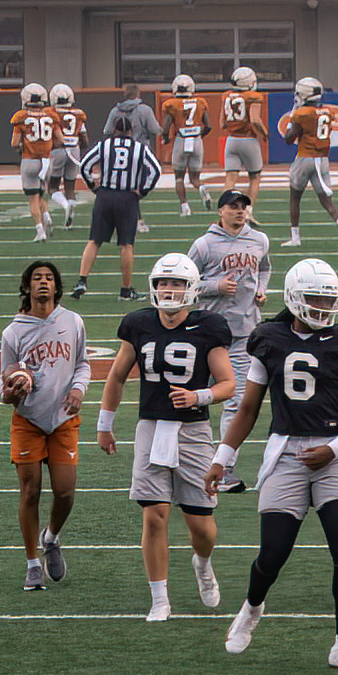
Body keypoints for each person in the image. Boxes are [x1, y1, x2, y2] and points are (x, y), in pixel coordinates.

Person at [206, 258, 338, 671]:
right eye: (314, 297)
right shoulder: (270, 339)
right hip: (286, 451)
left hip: (332, 451)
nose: (322, 305)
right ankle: (251, 607)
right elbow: (247, 408)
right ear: (294, 298)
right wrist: (222, 458)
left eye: (328, 298)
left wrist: (335, 448)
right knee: (274, 553)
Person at [97, 253, 235, 622]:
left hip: (193, 431)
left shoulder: (210, 326)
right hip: (151, 427)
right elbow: (116, 376)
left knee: (200, 525)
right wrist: (104, 423)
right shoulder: (138, 323)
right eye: (163, 283)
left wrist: (197, 396)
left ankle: (203, 564)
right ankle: (160, 598)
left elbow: (228, 384)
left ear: (191, 289)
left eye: (175, 283)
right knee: (155, 516)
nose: (168, 290)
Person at [0, 261, 90, 591]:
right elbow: (3, 384)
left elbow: (82, 364)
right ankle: (32, 563)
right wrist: (11, 392)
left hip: (64, 418)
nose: (43, 283)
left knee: (65, 491)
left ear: (56, 287)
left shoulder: (72, 321)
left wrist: (79, 390)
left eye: (49, 278)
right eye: (37, 278)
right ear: (27, 287)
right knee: (30, 491)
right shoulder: (13, 332)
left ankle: (50, 537)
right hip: (27, 420)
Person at [187, 189, 271, 494]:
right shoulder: (204, 245)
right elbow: (185, 285)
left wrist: (261, 290)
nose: (239, 212)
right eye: (233, 207)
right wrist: (215, 286)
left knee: (235, 401)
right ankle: (188, 460)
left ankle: (225, 469)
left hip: (245, 333)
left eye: (243, 207)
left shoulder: (259, 240)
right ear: (220, 211)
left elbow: (264, 267)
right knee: (195, 398)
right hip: (208, 332)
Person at [71, 116, 162, 302]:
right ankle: (126, 290)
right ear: (131, 131)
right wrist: (143, 191)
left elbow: (85, 165)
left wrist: (93, 186)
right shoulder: (140, 148)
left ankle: (82, 280)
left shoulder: (104, 145)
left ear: (114, 129)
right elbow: (155, 170)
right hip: (127, 198)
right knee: (126, 244)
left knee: (94, 240)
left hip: (105, 196)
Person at [279, 76, 338, 249]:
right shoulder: (328, 112)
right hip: (323, 159)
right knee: (326, 200)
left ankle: (295, 236)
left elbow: (289, 139)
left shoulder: (301, 114)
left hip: (305, 158)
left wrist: (292, 119)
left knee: (295, 197)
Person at [102, 83, 162, 234]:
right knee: (137, 188)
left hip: (119, 151)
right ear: (138, 94)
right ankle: (136, 219)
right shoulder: (145, 109)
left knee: (122, 186)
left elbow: (107, 130)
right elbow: (155, 129)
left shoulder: (116, 110)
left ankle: (121, 218)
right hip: (139, 151)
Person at [9, 83, 61, 242]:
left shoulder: (22, 117)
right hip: (46, 161)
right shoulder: (51, 116)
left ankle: (40, 230)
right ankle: (46, 215)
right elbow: (61, 139)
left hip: (30, 160)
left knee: (32, 198)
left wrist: (24, 146)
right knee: (40, 194)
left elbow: (14, 143)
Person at [160, 74, 213, 217]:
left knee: (179, 177)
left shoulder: (171, 104)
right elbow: (208, 126)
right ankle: (201, 188)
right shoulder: (200, 102)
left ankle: (185, 207)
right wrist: (199, 136)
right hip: (196, 140)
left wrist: (165, 138)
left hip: (181, 139)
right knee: (195, 178)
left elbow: (166, 127)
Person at [220, 66, 267, 225]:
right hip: (248, 139)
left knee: (230, 178)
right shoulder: (253, 96)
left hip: (231, 140)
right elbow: (255, 120)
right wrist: (265, 133)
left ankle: (224, 212)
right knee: (254, 177)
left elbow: (222, 123)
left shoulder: (226, 96)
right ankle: (247, 212)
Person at [46, 84, 88, 230]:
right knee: (70, 187)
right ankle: (71, 218)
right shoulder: (78, 114)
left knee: (53, 187)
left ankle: (65, 206)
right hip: (74, 149)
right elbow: (85, 139)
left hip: (58, 149)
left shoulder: (51, 113)